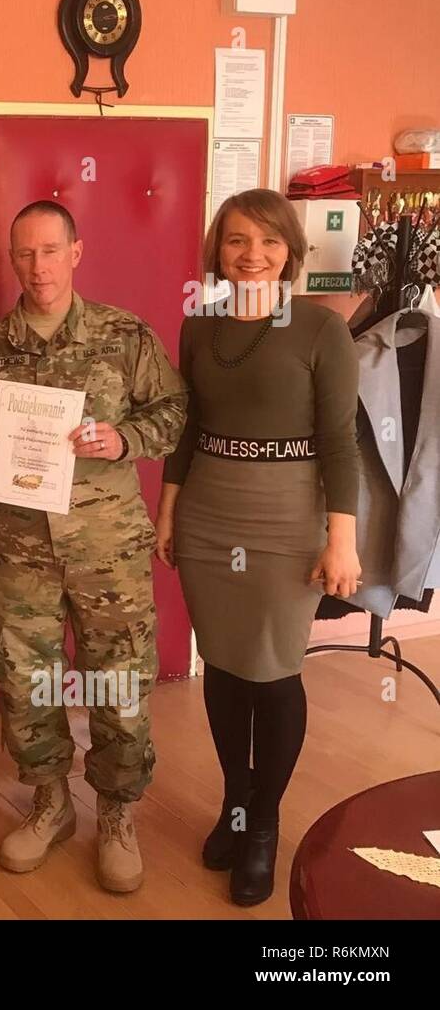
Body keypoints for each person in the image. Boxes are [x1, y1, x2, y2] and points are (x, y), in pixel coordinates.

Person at [0, 201, 186, 893]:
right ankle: (50, 802)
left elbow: (173, 412)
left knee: (119, 680)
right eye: (25, 253)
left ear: (76, 252)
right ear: (12, 258)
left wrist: (124, 439)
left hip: (107, 549)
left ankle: (117, 812)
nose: (38, 266)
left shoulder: (123, 335)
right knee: (25, 681)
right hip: (17, 551)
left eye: (51, 250)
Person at [155, 189, 360, 907]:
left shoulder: (321, 329)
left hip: (287, 520)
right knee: (224, 666)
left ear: (290, 252)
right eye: (238, 239)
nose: (253, 254)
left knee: (272, 672)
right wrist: (168, 511)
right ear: (218, 248)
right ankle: (234, 803)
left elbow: (340, 443)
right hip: (209, 513)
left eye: (270, 241)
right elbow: (187, 429)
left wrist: (342, 539)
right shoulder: (198, 326)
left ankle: (264, 823)